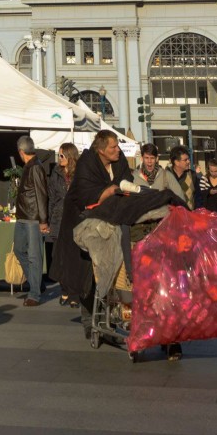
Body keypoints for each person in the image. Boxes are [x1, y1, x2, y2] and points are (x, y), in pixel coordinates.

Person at [56, 130, 133, 335]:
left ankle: (111, 316)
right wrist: (108, 191)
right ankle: (89, 319)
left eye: (117, 146)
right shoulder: (86, 163)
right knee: (87, 271)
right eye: (113, 147)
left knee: (112, 267)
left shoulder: (119, 159)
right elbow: (85, 194)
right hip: (81, 220)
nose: (118, 150)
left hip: (111, 218)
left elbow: (126, 180)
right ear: (100, 150)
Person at [13, 136, 50, 307]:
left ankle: (34, 293)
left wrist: (43, 220)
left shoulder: (35, 167)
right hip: (23, 216)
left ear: (21, 152)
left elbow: (41, 194)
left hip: (33, 218)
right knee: (20, 250)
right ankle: (37, 283)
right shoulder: (29, 166)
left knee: (34, 256)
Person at [47, 143, 79, 306]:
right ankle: (64, 290)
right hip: (58, 219)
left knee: (72, 258)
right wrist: (48, 220)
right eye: (58, 155)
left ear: (69, 156)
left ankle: (74, 294)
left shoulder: (78, 174)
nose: (59, 159)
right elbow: (52, 198)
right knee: (58, 257)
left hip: (74, 220)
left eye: (61, 156)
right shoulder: (56, 173)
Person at [159, 145, 205, 211]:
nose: (188, 162)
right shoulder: (164, 176)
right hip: (170, 217)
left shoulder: (192, 175)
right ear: (176, 162)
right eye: (185, 160)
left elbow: (198, 197)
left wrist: (197, 211)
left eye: (188, 159)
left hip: (189, 217)